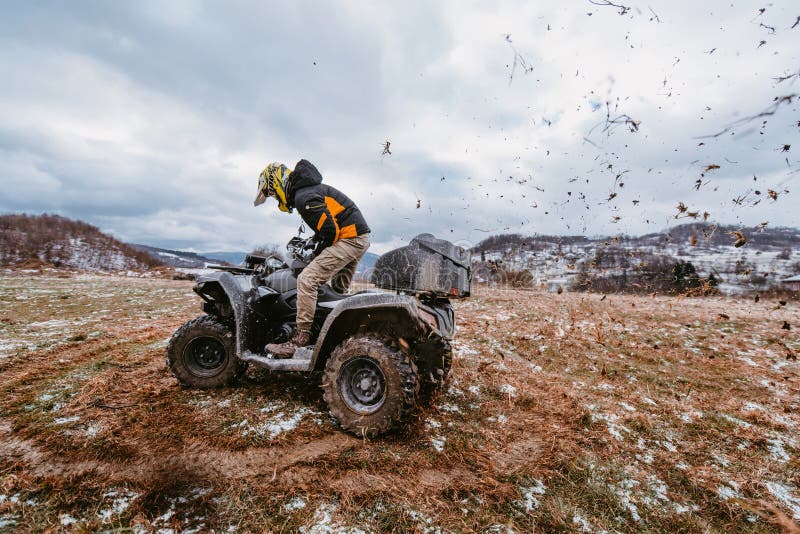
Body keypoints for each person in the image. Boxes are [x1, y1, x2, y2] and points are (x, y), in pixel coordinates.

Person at [254, 159, 371, 358]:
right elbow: (327, 225)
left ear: (277, 183)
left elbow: (330, 231)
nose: (275, 199)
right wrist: (315, 241)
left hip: (350, 237)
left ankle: (301, 338)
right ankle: (331, 330)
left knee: (307, 280)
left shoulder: (304, 197)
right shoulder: (309, 191)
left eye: (272, 194)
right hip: (358, 236)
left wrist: (317, 253)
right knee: (335, 290)